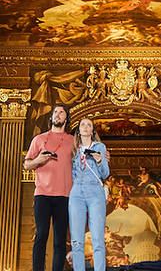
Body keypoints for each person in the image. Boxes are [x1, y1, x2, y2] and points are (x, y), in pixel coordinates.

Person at [25, 104, 75, 271]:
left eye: (61, 112)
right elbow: (27, 165)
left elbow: (82, 161)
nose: (57, 115)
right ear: (52, 117)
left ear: (66, 118)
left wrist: (102, 155)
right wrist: (39, 160)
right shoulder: (39, 139)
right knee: (41, 235)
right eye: (55, 112)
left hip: (65, 196)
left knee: (60, 240)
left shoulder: (73, 140)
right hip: (42, 195)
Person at [69, 117, 110, 271]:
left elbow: (105, 174)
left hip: (95, 192)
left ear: (92, 130)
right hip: (77, 192)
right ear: (78, 130)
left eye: (89, 125)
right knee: (77, 240)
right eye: (83, 125)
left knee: (98, 238)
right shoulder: (73, 148)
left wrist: (100, 161)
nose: (86, 127)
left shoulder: (100, 146)